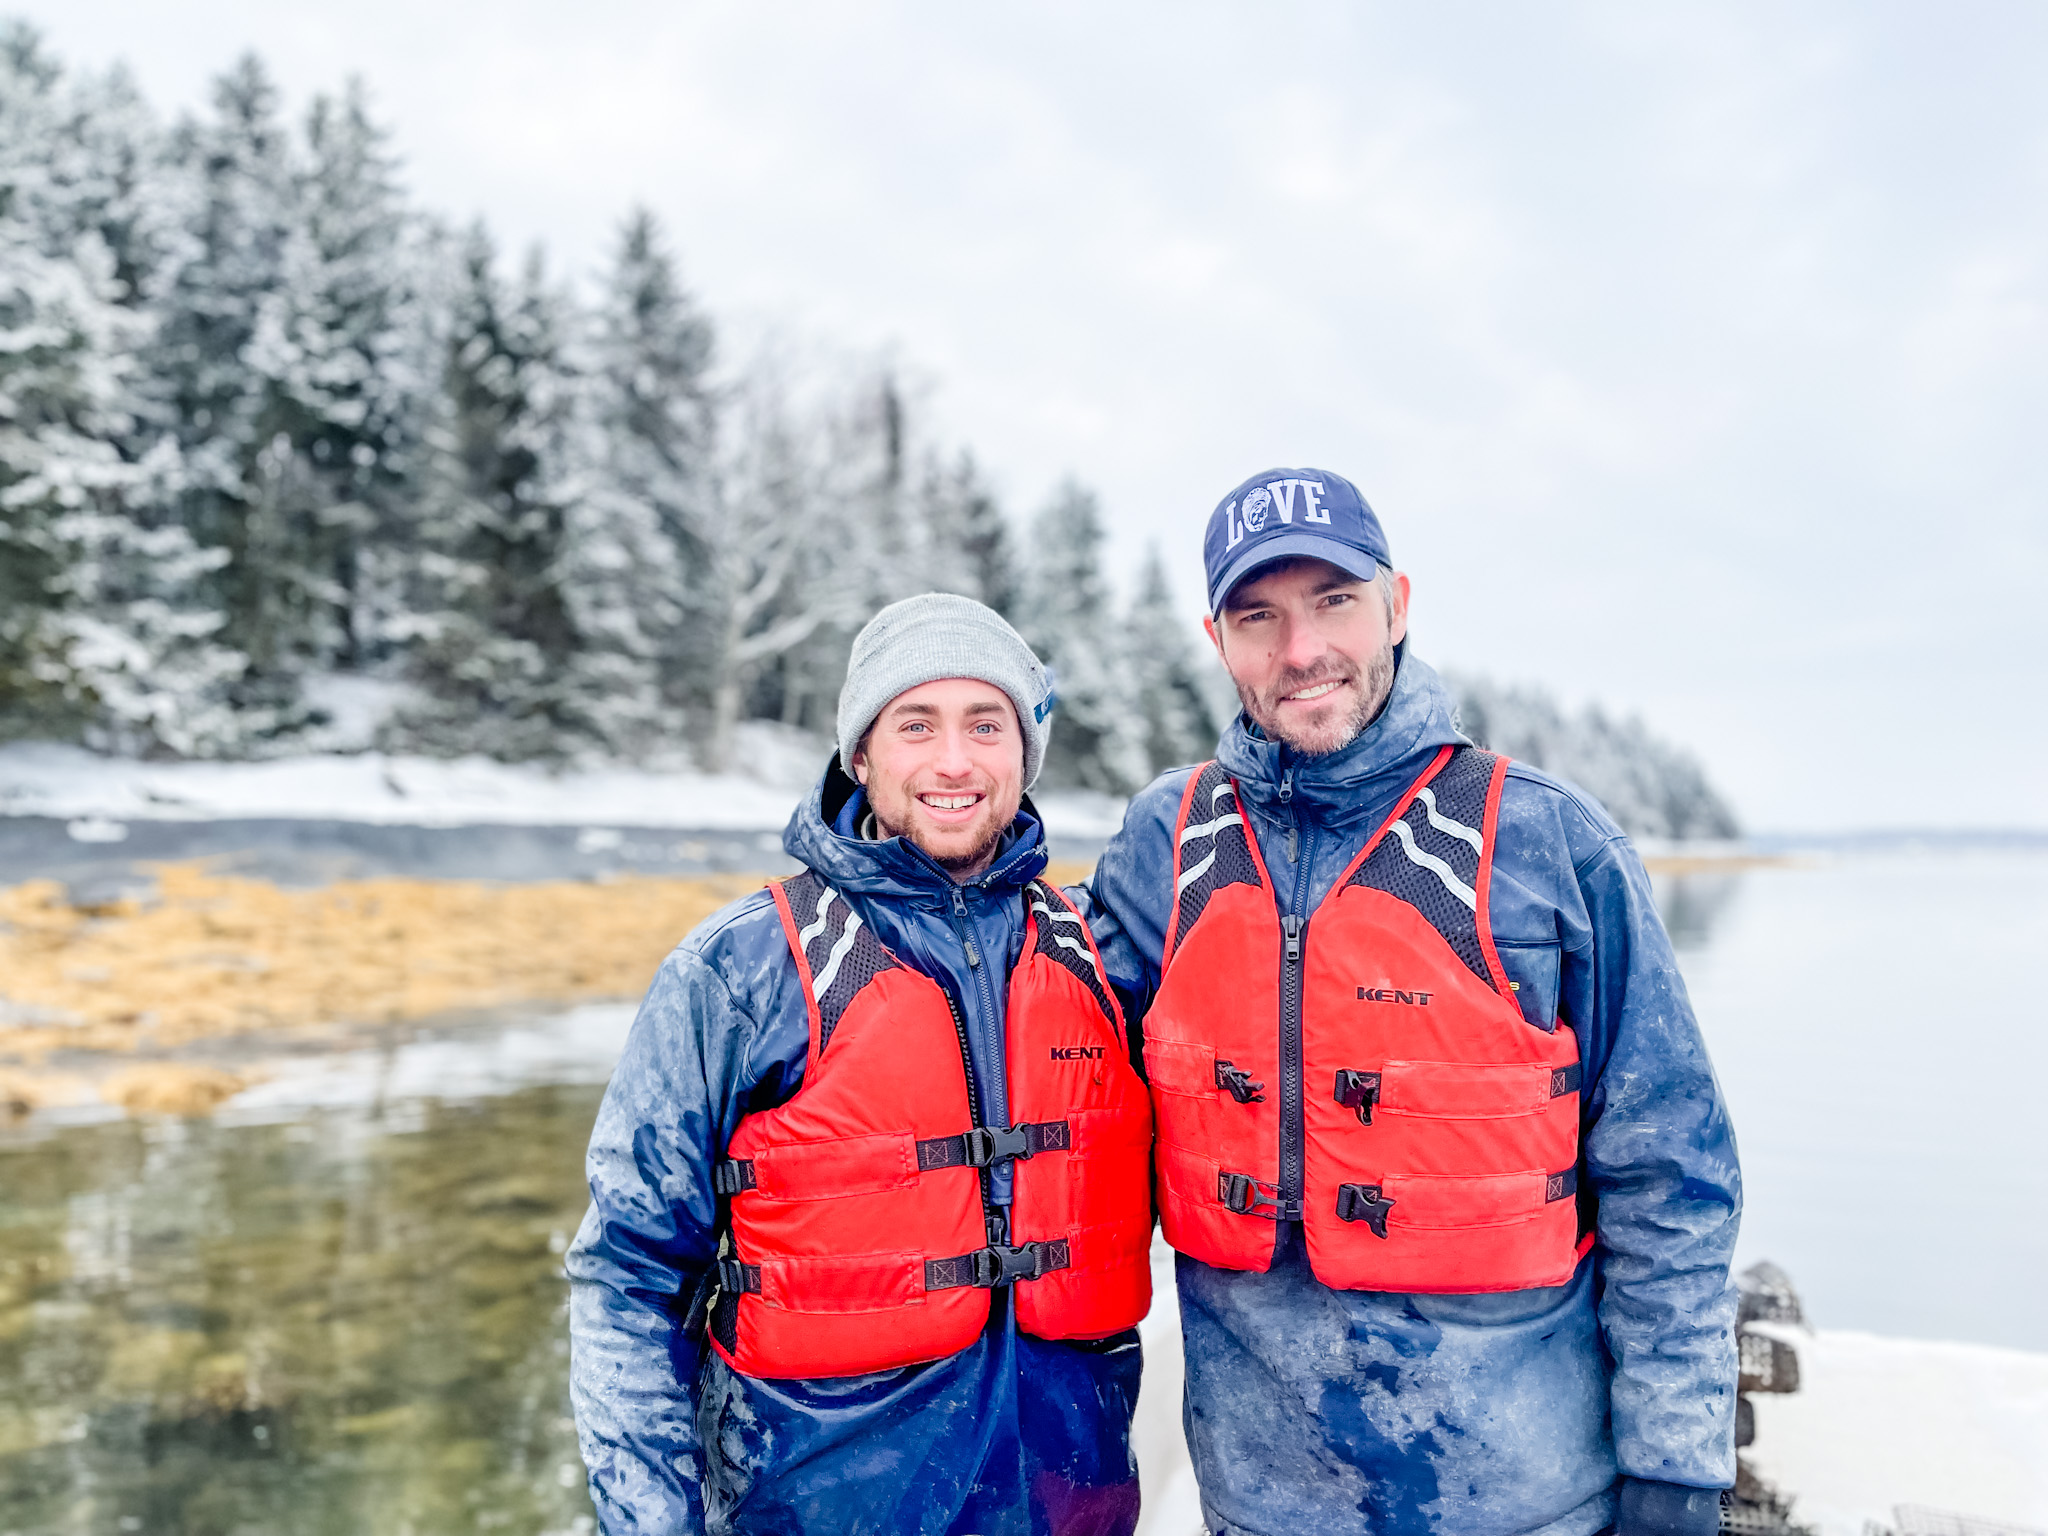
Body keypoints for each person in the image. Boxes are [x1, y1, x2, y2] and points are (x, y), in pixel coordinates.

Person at [1078, 468, 1741, 1536]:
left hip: (1528, 1504)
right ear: (1217, 640)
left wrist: (1675, 1468)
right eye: (1258, 617)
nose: (1301, 650)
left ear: (1396, 603)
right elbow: (1033, 1034)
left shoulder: (1551, 843)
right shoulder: (1167, 840)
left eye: (1334, 601)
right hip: (1261, 1505)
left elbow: (1671, 1174)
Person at [566, 592, 1155, 1536]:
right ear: (861, 755)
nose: (954, 761)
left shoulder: (1100, 956)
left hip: (1067, 1508)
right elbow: (629, 1274)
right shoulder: (739, 970)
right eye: (915, 724)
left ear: (1024, 753)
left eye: (986, 725)